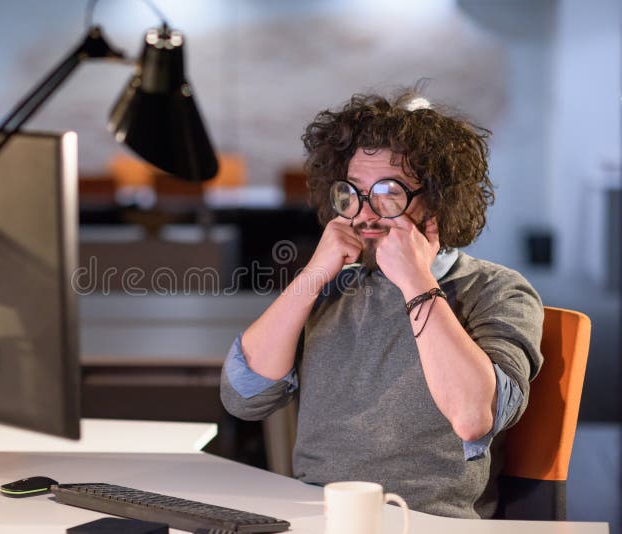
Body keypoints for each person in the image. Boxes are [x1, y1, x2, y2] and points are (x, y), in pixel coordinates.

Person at [219, 90, 544, 519]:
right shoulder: (331, 287)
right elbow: (244, 396)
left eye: (388, 193)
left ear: (437, 200)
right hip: (318, 517)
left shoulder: (496, 290)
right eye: (352, 192)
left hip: (426, 523)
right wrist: (313, 274)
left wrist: (415, 280)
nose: (365, 213)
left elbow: (473, 417)